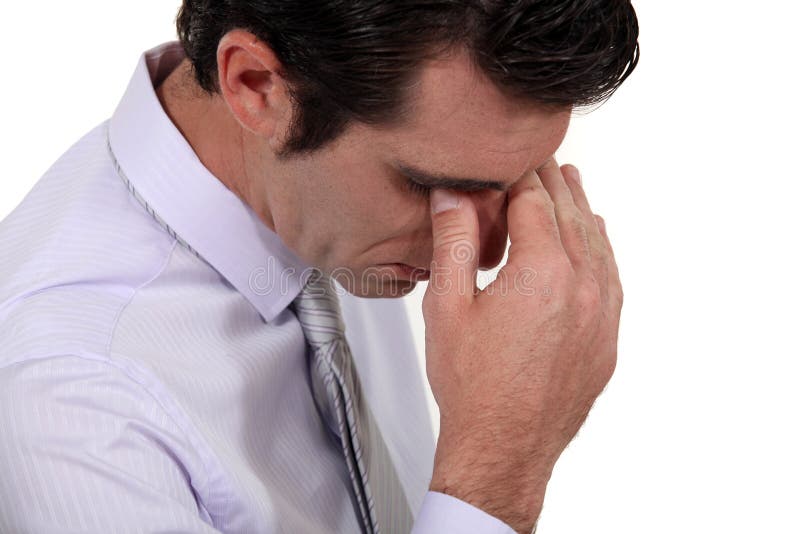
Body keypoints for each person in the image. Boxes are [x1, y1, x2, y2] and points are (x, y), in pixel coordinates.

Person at [0, 1, 639, 532]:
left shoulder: (319, 206)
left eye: (518, 178)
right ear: (255, 87)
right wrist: (497, 468)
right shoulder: (71, 396)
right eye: (429, 186)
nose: (486, 252)